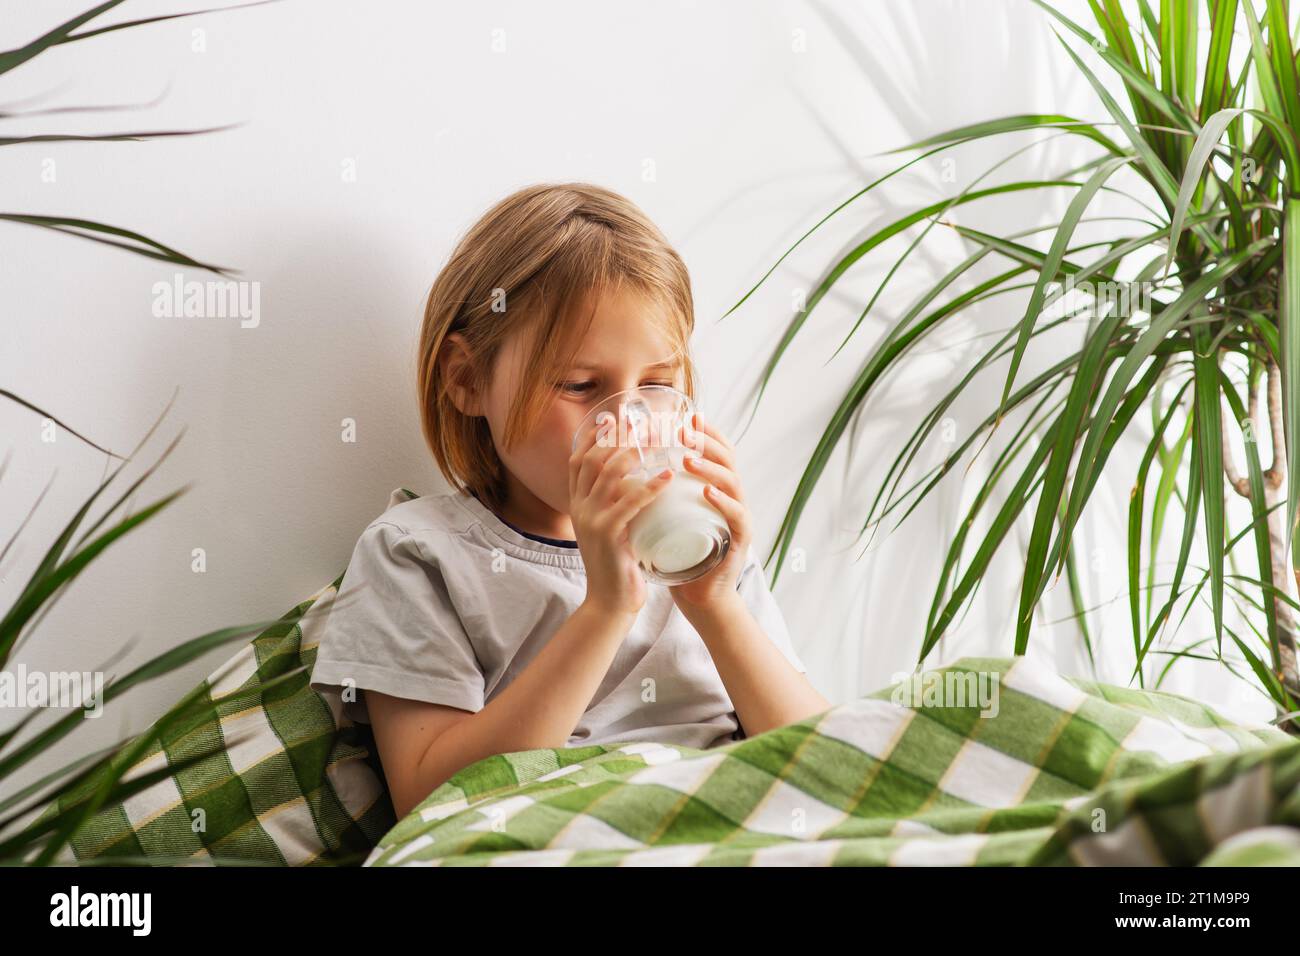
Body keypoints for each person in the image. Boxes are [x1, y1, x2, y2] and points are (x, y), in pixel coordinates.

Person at [309, 182, 829, 819]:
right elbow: (430, 799)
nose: (629, 419)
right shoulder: (419, 552)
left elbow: (825, 763)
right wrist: (607, 606)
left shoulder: (701, 545)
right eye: (584, 386)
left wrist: (716, 602)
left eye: (660, 384)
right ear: (468, 379)